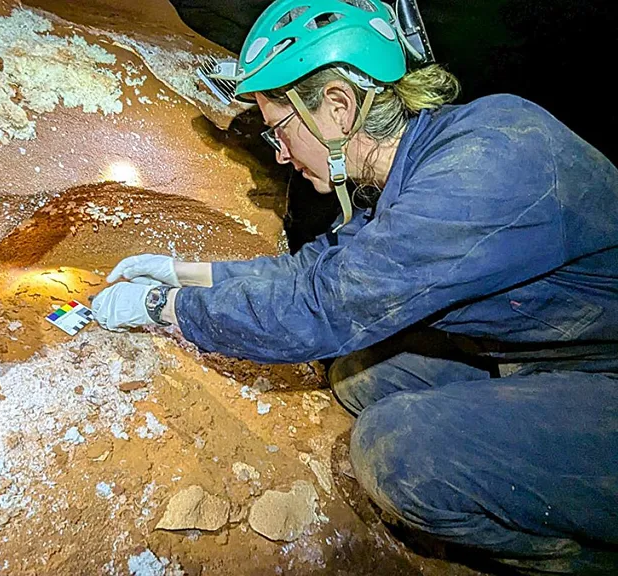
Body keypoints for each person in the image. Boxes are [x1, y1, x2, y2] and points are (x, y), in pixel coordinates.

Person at [91, 0, 618, 572]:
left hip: (605, 374)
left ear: (339, 106)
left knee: (399, 452)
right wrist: (182, 272)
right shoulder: (419, 163)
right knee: (361, 373)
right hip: (554, 355)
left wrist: (162, 308)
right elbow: (316, 270)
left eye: (281, 132)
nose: (283, 155)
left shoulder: (480, 172)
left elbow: (322, 309)